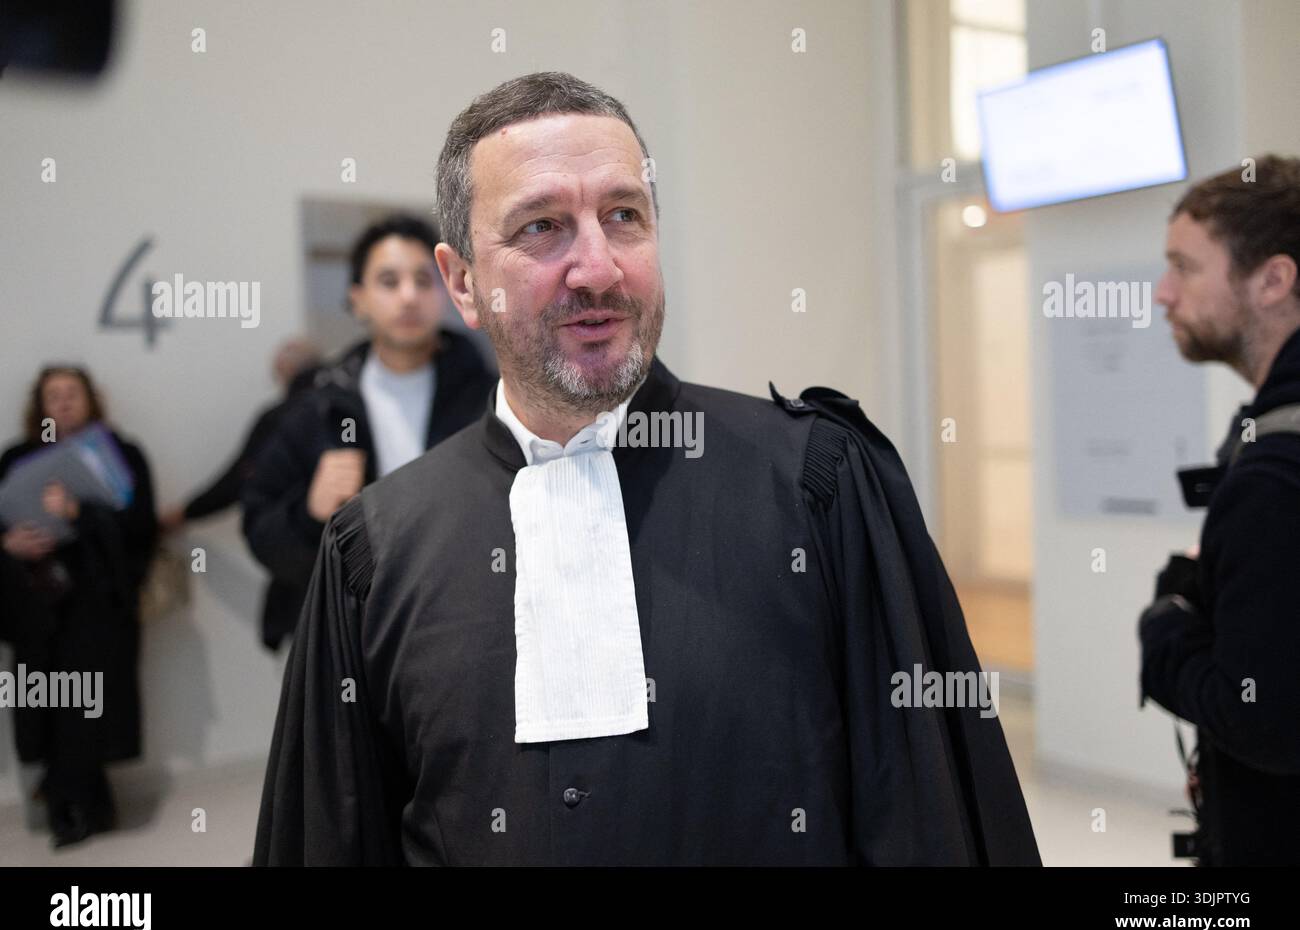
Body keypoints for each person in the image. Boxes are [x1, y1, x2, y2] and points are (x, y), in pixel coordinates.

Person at [255, 72, 1039, 866]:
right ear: (462, 282)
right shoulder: (376, 550)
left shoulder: (816, 483)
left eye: (623, 216)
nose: (597, 268)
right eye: (542, 227)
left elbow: (921, 810)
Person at [1140, 155, 1300, 865]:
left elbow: (1262, 723)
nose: (1162, 293)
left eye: (1185, 267)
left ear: (1272, 279)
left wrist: (1167, 626)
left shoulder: (1272, 479)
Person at [240, 215, 496, 652]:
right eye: (388, 281)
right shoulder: (318, 406)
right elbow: (261, 532)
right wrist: (309, 514)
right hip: (345, 640)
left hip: (463, 633)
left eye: (423, 280)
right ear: (357, 299)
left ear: (448, 291)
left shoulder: (492, 400)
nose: (409, 296)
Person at [0, 365, 157, 848]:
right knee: (45, 697)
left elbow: (139, 525)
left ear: (91, 400)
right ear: (39, 406)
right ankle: (74, 798)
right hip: (33, 604)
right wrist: (10, 543)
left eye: (73, 393)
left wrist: (79, 514)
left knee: (88, 702)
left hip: (96, 599)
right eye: (53, 395)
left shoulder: (120, 454)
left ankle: (76, 800)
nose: (64, 402)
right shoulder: (17, 458)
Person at [159, 338, 321, 533]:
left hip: (300, 531)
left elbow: (241, 478)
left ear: (283, 368)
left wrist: (186, 513)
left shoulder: (279, 418)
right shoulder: (344, 404)